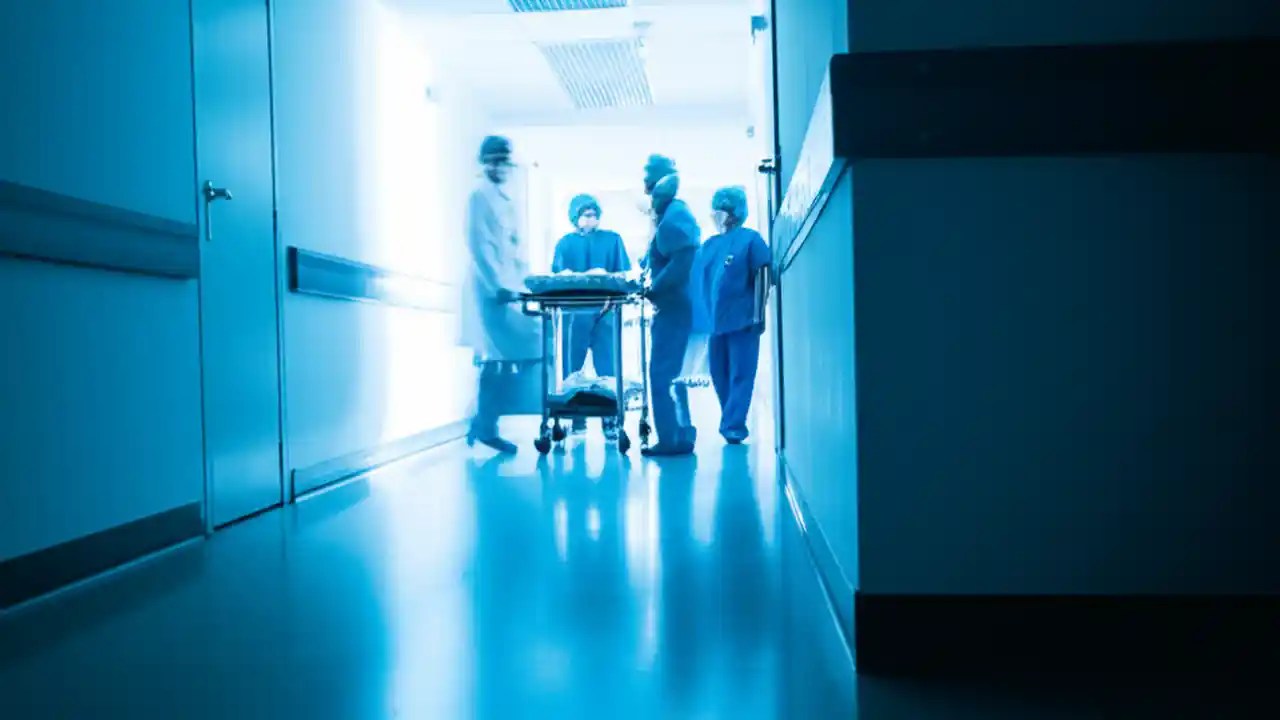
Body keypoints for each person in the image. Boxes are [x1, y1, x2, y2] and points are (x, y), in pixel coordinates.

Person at [460, 135, 541, 454]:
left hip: (509, 287)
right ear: (484, 163)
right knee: (495, 358)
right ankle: (485, 425)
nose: (500, 166)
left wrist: (525, 282)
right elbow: (479, 245)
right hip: (490, 290)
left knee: (521, 348)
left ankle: (483, 421)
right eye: (494, 161)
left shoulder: (506, 198)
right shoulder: (479, 196)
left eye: (504, 161)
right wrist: (498, 286)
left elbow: (514, 247)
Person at [551, 194, 632, 438]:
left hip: (605, 310)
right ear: (574, 217)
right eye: (585, 214)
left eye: (594, 214)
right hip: (574, 312)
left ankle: (610, 419)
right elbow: (559, 277)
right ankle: (576, 419)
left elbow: (621, 274)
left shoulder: (612, 240)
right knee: (572, 369)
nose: (590, 218)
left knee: (608, 368)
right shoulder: (565, 244)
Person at [640, 155, 702, 456]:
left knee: (662, 374)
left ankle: (670, 440)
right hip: (677, 307)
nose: (646, 189)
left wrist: (656, 287)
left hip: (674, 308)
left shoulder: (675, 215)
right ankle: (680, 436)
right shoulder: (673, 215)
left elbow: (682, 261)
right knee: (674, 375)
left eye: (648, 182)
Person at [699, 186, 771, 443]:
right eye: (715, 211)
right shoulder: (709, 245)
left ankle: (733, 426)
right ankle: (730, 419)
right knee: (718, 373)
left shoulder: (751, 239)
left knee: (741, 374)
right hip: (714, 322)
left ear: (734, 213)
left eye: (722, 211)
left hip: (743, 320)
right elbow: (699, 281)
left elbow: (763, 273)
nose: (717, 215)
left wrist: (758, 313)